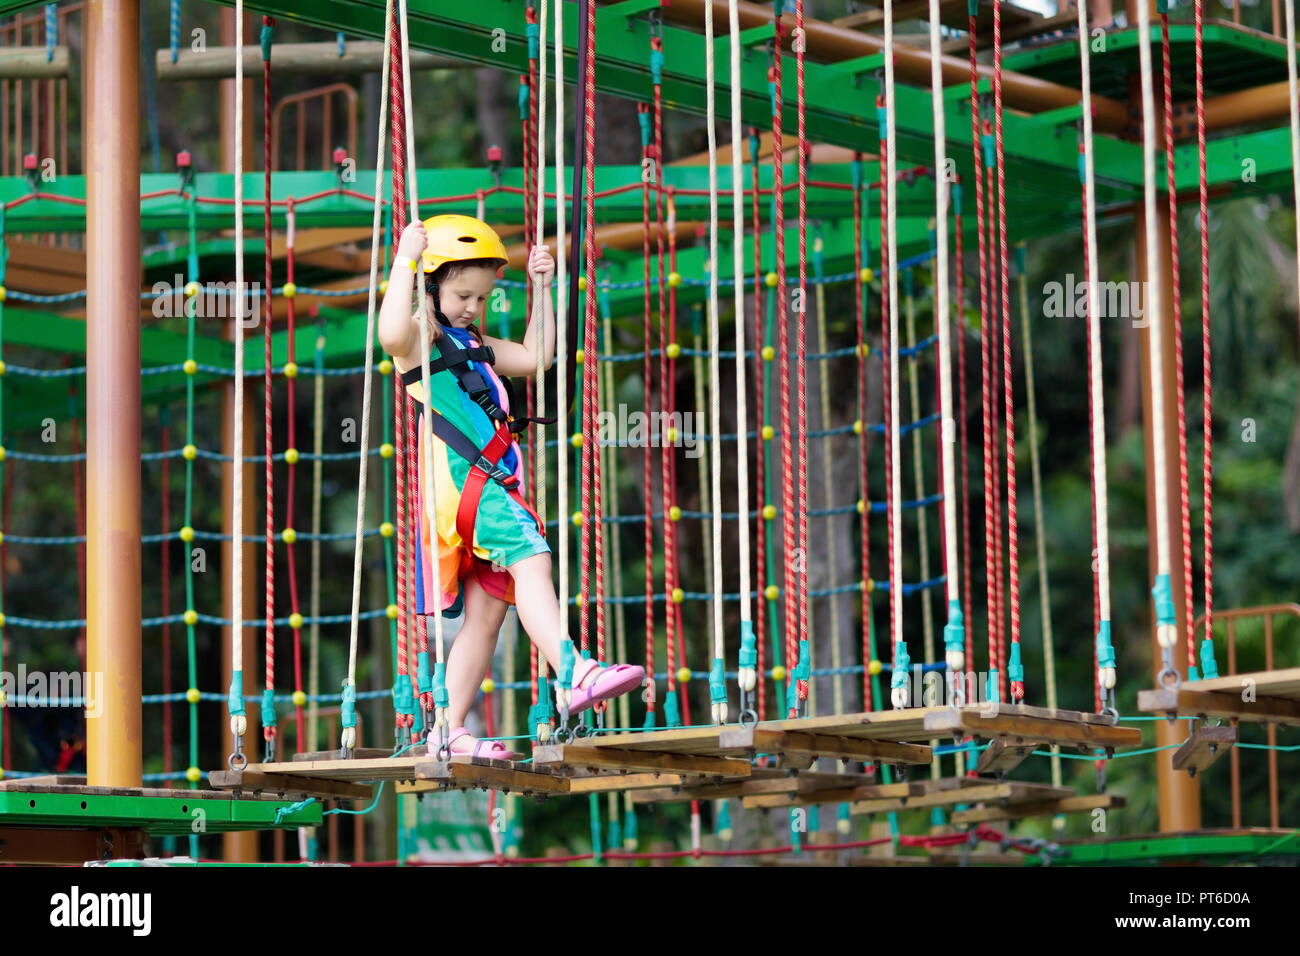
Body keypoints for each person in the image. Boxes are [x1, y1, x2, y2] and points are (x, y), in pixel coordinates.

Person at [378, 214, 643, 759]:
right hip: (469, 486)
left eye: (481, 297)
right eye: (460, 294)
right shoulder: (420, 342)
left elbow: (535, 356)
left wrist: (542, 290)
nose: (472, 307)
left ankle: (445, 732)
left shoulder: (471, 344)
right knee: (532, 559)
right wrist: (405, 259)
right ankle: (573, 672)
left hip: (474, 490)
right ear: (430, 288)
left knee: (486, 617)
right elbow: (389, 333)